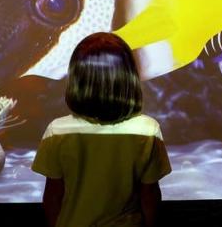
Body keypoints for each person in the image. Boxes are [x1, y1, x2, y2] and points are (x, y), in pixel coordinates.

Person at [32, 32, 172, 227]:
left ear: (76, 79)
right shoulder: (147, 130)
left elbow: (53, 196)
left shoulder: (57, 131)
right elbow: (149, 195)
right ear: (129, 78)